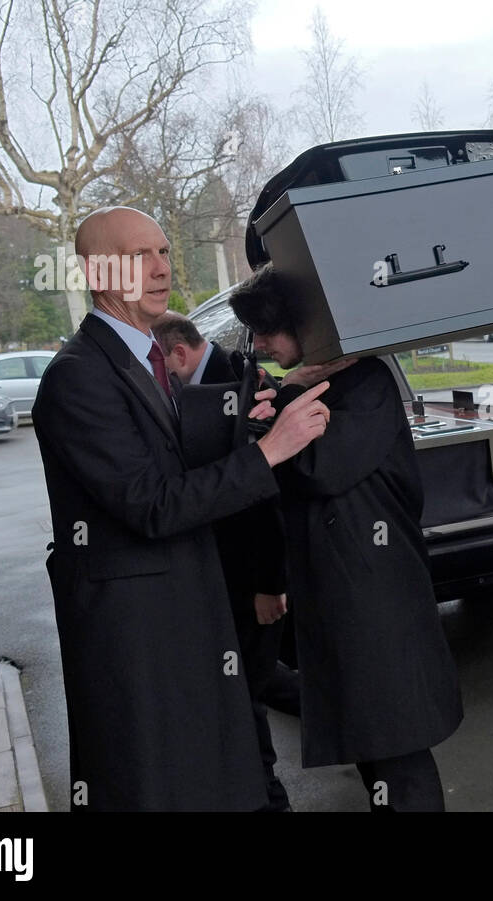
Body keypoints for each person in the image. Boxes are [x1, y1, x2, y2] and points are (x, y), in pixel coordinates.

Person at [34, 206, 332, 811]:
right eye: (139, 256)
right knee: (159, 786)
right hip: (138, 635)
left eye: (164, 252)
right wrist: (270, 452)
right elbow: (151, 503)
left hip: (186, 614)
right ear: (97, 272)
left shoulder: (145, 358)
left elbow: (176, 461)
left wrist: (247, 426)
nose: (161, 268)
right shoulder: (77, 376)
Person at [229, 264, 463, 812]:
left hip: (376, 600)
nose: (258, 345)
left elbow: (319, 468)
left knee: (397, 751)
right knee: (373, 747)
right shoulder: (323, 382)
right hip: (347, 596)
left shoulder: (365, 380)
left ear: (304, 325)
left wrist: (285, 398)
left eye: (267, 331)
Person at [152, 310, 292, 811]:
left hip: (251, 579)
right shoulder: (223, 377)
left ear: (179, 353)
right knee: (253, 684)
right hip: (227, 578)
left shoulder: (239, 384)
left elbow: (264, 498)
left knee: (247, 694)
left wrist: (269, 584)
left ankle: (269, 798)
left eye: (158, 364)